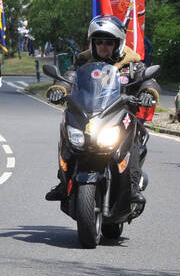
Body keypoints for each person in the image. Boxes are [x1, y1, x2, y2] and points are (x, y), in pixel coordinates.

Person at [45, 15, 156, 205]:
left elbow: (148, 80)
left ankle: (132, 186)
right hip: (89, 114)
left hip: (121, 115)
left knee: (134, 139)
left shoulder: (132, 65)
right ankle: (63, 182)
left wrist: (147, 92)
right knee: (68, 131)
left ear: (118, 43)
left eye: (108, 42)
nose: (103, 46)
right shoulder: (83, 62)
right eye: (99, 42)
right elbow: (69, 78)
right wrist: (59, 89)